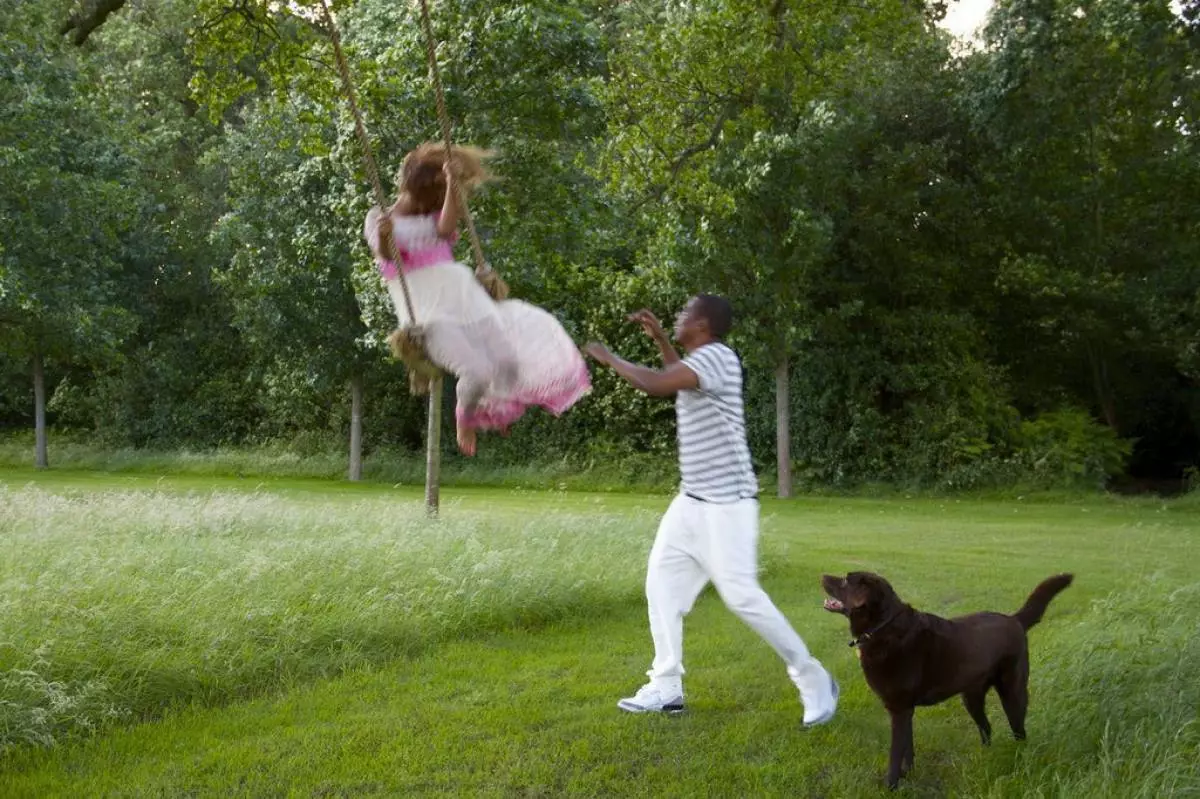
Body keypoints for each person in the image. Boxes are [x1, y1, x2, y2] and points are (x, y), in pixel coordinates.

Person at [583, 295, 838, 724]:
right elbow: (675, 376)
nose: (677, 318)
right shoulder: (700, 363)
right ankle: (666, 687)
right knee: (660, 586)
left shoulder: (719, 357)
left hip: (727, 506)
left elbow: (655, 383)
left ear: (702, 324)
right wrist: (664, 340)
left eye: (683, 315)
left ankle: (813, 677)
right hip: (691, 502)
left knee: (742, 598)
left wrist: (608, 358)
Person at [363, 143, 590, 455]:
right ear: (412, 188)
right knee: (478, 370)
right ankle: (465, 418)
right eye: (433, 196)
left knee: (510, 360)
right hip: (428, 317)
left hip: (465, 300)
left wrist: (453, 182)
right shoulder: (379, 217)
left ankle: (495, 411)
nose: (429, 205)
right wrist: (386, 236)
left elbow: (446, 228)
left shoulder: (432, 218)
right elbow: (386, 255)